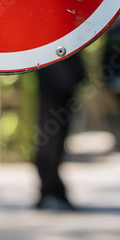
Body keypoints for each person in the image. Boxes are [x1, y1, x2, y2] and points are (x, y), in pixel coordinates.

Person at [34, 53, 86, 210]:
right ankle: (50, 190)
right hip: (56, 84)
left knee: (54, 140)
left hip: (59, 86)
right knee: (51, 141)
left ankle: (52, 191)